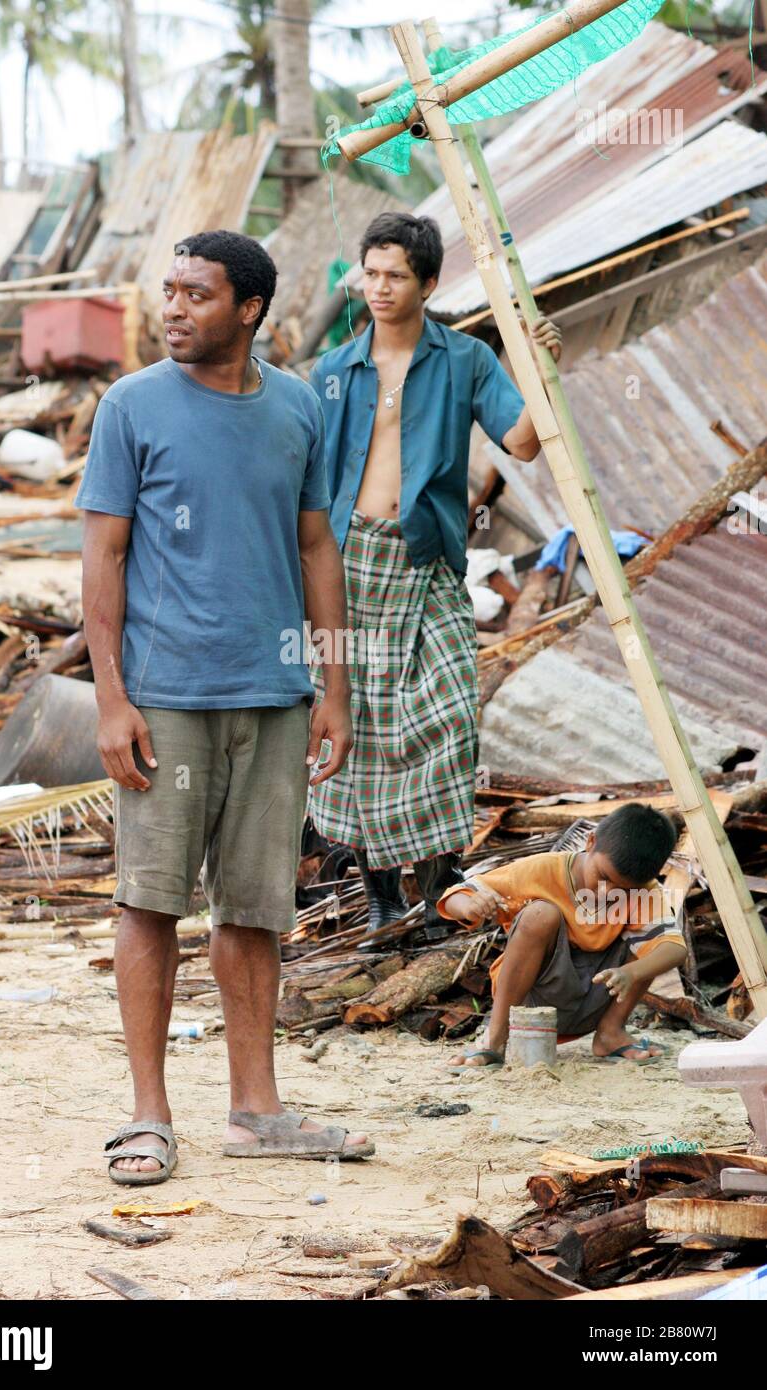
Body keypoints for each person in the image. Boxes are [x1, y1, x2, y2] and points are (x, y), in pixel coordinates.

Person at [77, 230, 373, 1184]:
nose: (172, 309)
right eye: (167, 292)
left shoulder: (295, 408)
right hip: (166, 700)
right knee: (150, 902)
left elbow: (317, 547)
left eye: (195, 295)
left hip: (276, 699)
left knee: (254, 910)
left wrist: (335, 687)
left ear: (249, 311)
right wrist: (111, 699)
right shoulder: (131, 407)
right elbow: (105, 556)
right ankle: (148, 1117)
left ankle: (257, 1109)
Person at [308, 211, 561, 944]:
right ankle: (385, 896)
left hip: (427, 563)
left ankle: (438, 884)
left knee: (450, 718)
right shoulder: (333, 372)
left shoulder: (465, 361)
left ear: (428, 282)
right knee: (365, 731)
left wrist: (543, 373)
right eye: (371, 273)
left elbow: (522, 442)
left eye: (395, 276)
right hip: (348, 563)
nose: (379, 288)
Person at [439, 803, 686, 1066]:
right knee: (540, 914)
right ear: (591, 842)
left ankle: (610, 1033)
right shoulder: (541, 870)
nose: (606, 891)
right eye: (603, 876)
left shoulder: (645, 892)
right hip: (530, 1003)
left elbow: (675, 947)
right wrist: (469, 905)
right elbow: (457, 895)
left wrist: (631, 973)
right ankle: (496, 1037)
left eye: (624, 888)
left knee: (653, 943)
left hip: (595, 1002)